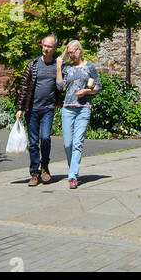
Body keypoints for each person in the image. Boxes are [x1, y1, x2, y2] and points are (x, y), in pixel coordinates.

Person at [14, 34, 63, 186]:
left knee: (46, 138)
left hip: (48, 108)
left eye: (49, 47)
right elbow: (23, 86)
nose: (45, 49)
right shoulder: (33, 64)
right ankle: (34, 173)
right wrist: (20, 108)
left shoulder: (57, 65)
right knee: (34, 142)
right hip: (32, 109)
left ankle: (45, 167)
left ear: (54, 48)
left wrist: (60, 67)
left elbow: (61, 87)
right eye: (44, 46)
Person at [57, 41, 101, 189]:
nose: (70, 55)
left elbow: (98, 86)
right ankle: (73, 168)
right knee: (68, 144)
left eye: (72, 52)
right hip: (68, 108)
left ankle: (72, 176)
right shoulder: (67, 68)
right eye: (68, 53)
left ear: (79, 51)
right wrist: (58, 67)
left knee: (78, 143)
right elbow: (59, 86)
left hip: (83, 108)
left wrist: (87, 91)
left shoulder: (90, 67)